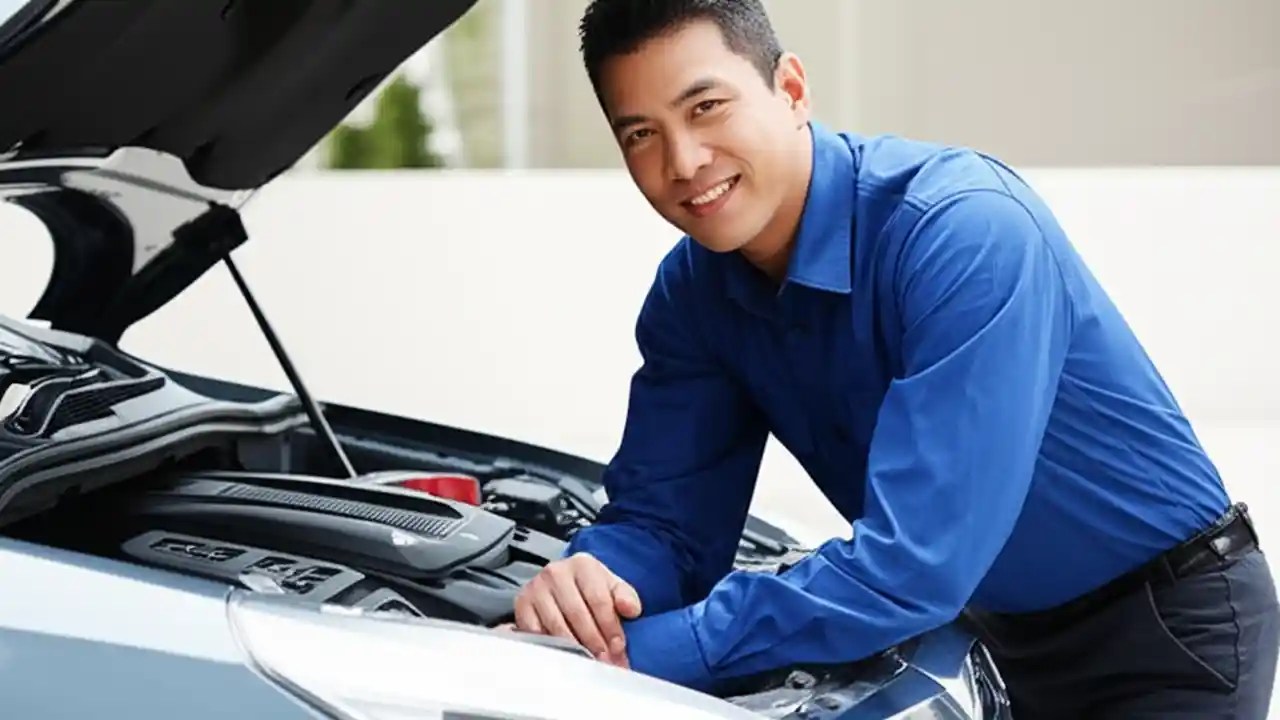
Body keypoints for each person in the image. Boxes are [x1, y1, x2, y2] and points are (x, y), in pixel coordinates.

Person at [509, 1, 1280, 716]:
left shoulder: (963, 232)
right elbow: (666, 526)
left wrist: (651, 654)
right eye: (640, 133)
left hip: (1164, 627)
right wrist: (595, 591)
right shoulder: (693, 293)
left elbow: (917, 562)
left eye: (705, 107)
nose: (682, 161)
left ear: (791, 88)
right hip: (990, 630)